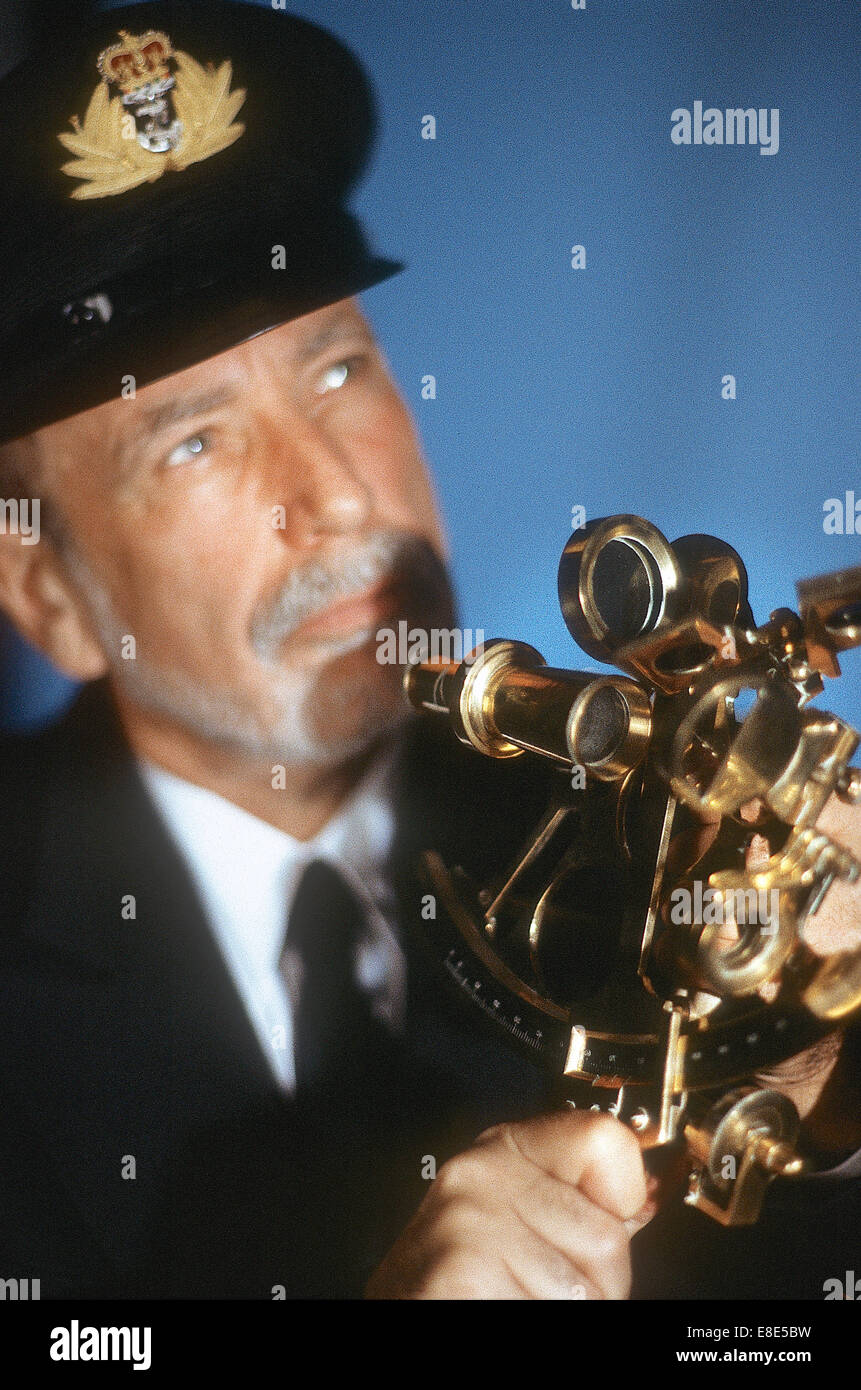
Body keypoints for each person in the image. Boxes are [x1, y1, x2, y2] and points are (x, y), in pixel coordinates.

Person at [0, 1, 858, 1301]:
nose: (337, 495)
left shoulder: (673, 838)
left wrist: (836, 1097)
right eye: (194, 440)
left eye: (337, 370)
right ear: (46, 590)